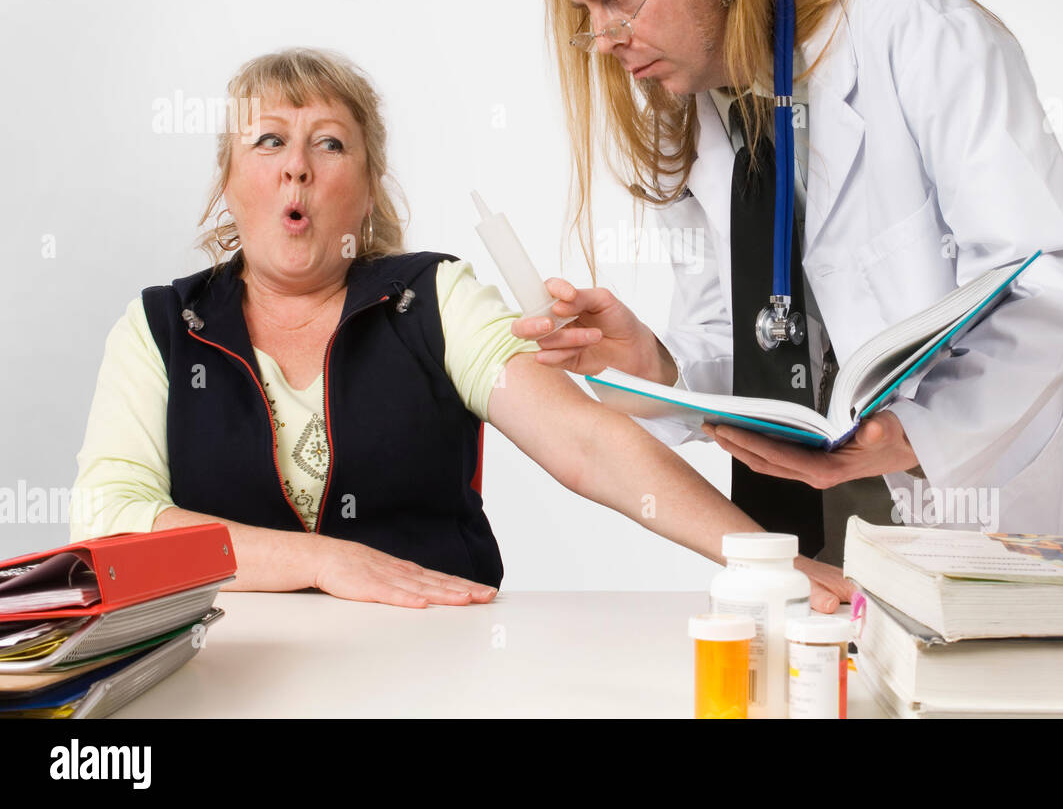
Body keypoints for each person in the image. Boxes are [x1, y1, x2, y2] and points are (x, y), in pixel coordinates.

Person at [516, 0, 1063, 564]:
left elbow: (1056, 276)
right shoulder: (695, 117)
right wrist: (656, 364)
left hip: (1002, 499)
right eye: (587, 11)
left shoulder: (910, 34)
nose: (603, 38)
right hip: (830, 524)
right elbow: (750, 343)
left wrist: (925, 430)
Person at [70, 47, 852, 611]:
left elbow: (588, 442)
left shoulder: (433, 298)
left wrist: (767, 558)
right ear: (229, 182)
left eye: (330, 142)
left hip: (435, 662)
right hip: (226, 670)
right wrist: (321, 560)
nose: (297, 165)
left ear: (370, 187)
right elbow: (111, 519)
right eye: (268, 140)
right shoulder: (161, 327)